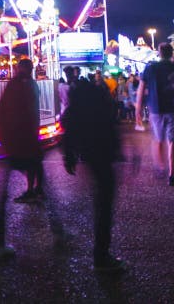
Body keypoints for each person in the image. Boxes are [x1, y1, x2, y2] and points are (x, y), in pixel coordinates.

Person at [0, 58, 64, 260]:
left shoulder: (15, 84)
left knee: (4, 195)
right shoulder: (27, 85)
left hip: (15, 143)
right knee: (45, 187)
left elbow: (4, 112)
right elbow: (28, 114)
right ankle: (57, 231)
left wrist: (3, 138)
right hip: (26, 142)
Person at [62, 68, 124, 272]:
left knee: (101, 203)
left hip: (91, 155)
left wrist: (69, 155)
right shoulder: (99, 104)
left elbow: (68, 128)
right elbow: (111, 128)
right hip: (102, 157)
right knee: (104, 204)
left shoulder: (78, 108)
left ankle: (101, 253)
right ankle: (101, 256)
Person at [136, 43, 174, 185]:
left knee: (158, 139)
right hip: (173, 109)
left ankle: (160, 166)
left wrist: (138, 108)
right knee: (173, 142)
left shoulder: (150, 68)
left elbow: (141, 88)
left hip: (155, 110)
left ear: (159, 53)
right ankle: (172, 175)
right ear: (171, 53)